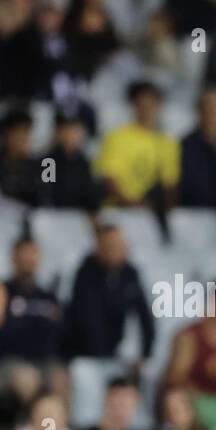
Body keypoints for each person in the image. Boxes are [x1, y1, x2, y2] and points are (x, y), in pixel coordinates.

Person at [61, 224, 153, 361]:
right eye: (109, 245)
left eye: (118, 245)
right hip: (82, 353)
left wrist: (145, 355)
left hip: (113, 351)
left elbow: (144, 316)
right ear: (98, 247)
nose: (114, 250)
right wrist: (104, 357)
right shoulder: (85, 273)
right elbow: (88, 318)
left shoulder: (130, 274)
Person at [94, 80, 179, 209]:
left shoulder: (167, 143)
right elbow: (109, 179)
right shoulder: (116, 137)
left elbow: (170, 185)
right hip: (119, 212)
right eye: (142, 104)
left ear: (159, 106)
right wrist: (133, 205)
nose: (147, 110)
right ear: (133, 106)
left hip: (152, 215)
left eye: (151, 104)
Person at [0, 238, 62, 364]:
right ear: (14, 257)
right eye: (24, 255)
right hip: (9, 359)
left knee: (60, 378)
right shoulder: (4, 292)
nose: (28, 260)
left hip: (44, 360)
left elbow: (58, 332)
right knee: (25, 379)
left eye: (32, 255)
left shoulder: (48, 296)